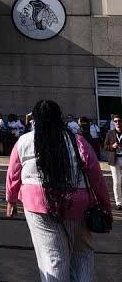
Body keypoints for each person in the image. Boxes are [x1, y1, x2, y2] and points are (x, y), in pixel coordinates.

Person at [6, 99, 112, 281]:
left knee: (53, 257)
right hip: (77, 202)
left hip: (39, 203)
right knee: (82, 252)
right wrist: (105, 204)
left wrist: (11, 199)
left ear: (35, 120)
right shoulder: (76, 140)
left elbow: (13, 174)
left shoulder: (24, 141)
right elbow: (96, 176)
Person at [106, 114, 122, 208]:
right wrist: (112, 146)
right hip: (114, 160)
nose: (117, 123)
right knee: (116, 182)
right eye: (115, 121)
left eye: (119, 121)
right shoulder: (110, 133)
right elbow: (105, 146)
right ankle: (119, 203)